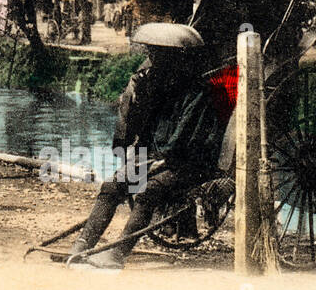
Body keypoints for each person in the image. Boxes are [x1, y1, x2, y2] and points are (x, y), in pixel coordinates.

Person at [69, 26, 231, 269]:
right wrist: (135, 95)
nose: (152, 61)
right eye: (151, 54)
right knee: (112, 186)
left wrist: (155, 162)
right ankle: (82, 246)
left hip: (189, 162)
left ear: (176, 59)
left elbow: (184, 137)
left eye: (159, 55)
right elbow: (140, 128)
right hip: (156, 158)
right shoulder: (155, 86)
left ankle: (118, 254)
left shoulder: (199, 92)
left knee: (148, 191)